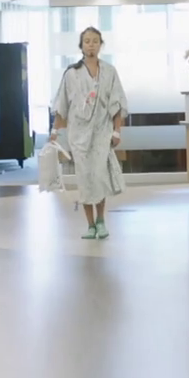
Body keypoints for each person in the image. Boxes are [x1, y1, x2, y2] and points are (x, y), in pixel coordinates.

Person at [51, 26, 128, 239]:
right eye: (87, 41)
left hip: (102, 132)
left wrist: (117, 131)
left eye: (95, 41)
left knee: (99, 176)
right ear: (81, 45)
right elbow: (62, 105)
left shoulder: (110, 72)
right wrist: (54, 131)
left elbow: (117, 103)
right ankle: (90, 224)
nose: (91, 44)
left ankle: (102, 221)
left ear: (101, 44)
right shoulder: (71, 74)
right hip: (79, 134)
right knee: (84, 178)